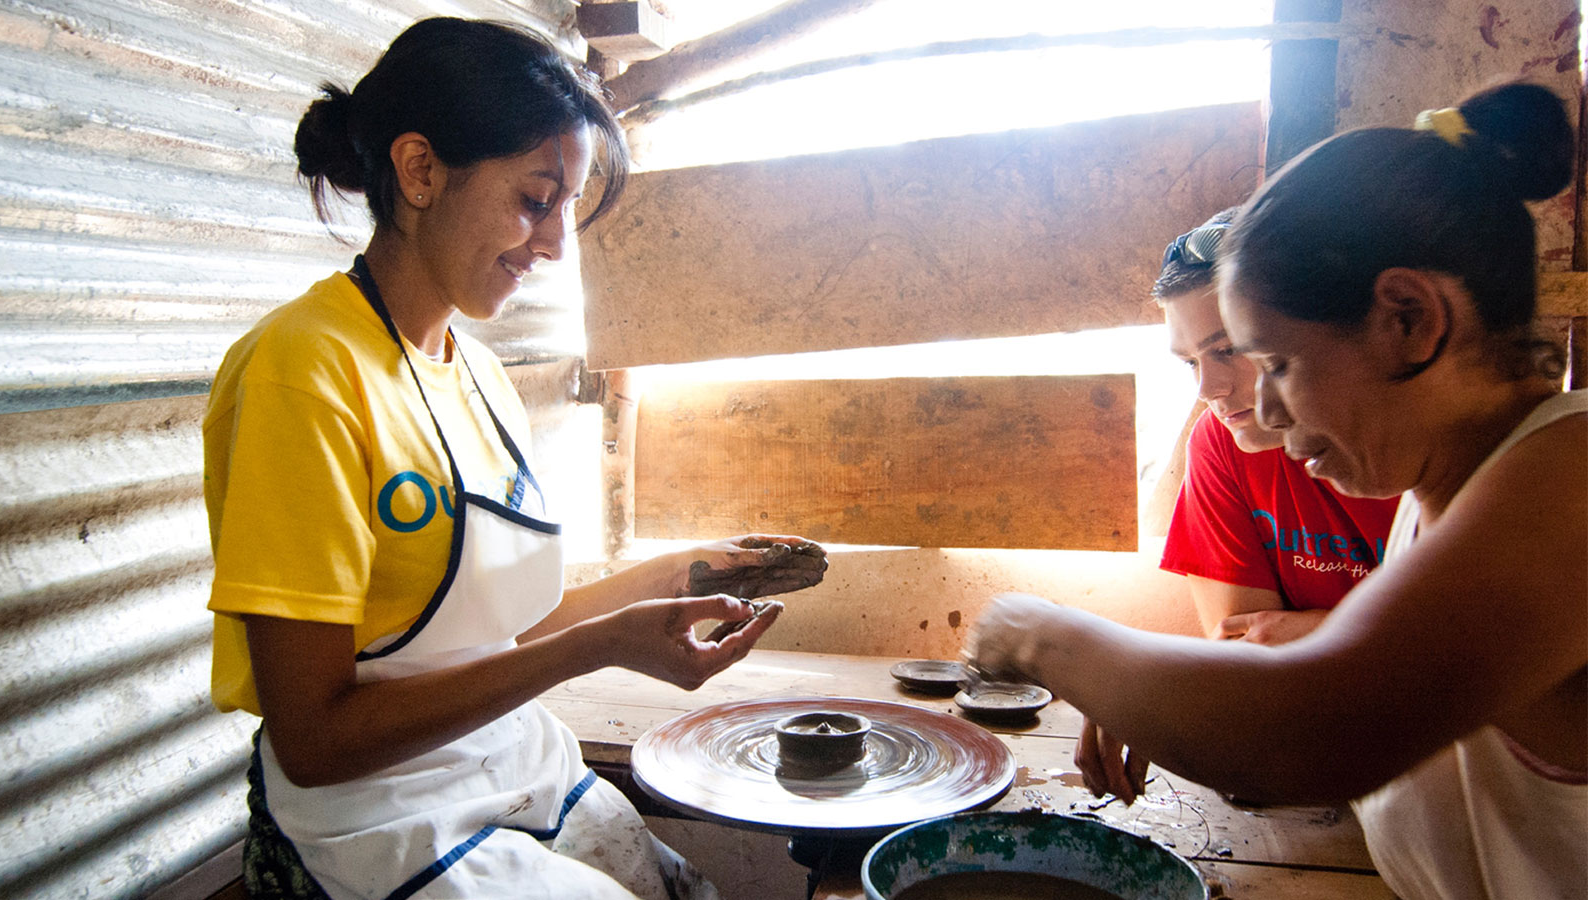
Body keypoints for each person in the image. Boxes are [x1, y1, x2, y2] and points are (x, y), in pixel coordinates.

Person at [202, 18, 827, 900]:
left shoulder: (481, 375)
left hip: (503, 757)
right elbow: (314, 739)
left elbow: (503, 632)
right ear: (419, 171)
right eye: (536, 199)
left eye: (566, 208)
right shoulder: (304, 372)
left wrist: (688, 573)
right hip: (371, 806)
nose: (556, 245)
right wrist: (596, 651)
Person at [968, 81, 1585, 900]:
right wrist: (1176, 700)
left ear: (1410, 318)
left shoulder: (1571, 478)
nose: (1253, 406)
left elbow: (1304, 736)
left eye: (1279, 364)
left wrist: (1037, 632)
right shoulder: (1442, 492)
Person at [1078, 211, 1401, 803]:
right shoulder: (1221, 445)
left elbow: (1466, 660)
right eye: (1190, 362)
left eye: (1228, 349)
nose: (1208, 388)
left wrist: (1321, 638)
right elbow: (1250, 668)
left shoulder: (1425, 453)